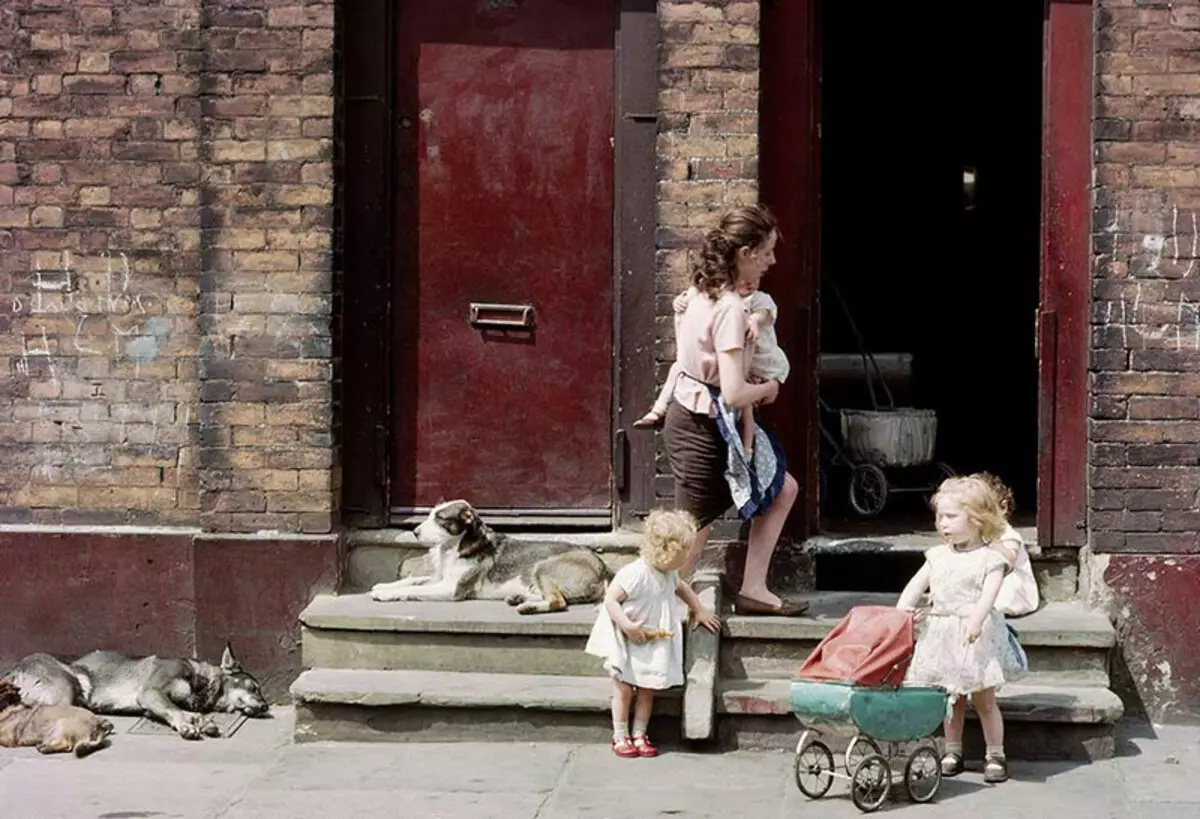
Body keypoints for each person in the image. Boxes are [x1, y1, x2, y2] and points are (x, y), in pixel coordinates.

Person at [658, 204, 806, 617]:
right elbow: (735, 393)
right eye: (767, 252)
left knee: (782, 488)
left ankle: (754, 588)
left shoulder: (698, 294)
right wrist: (772, 388)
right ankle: (662, 614)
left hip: (703, 418)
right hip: (702, 424)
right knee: (693, 529)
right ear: (745, 252)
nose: (772, 261)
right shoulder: (728, 309)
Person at [896, 475, 1027, 784]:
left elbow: (988, 595)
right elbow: (916, 586)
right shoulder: (938, 556)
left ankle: (995, 753)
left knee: (984, 699)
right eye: (940, 517)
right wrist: (904, 611)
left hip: (974, 635)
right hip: (941, 632)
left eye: (952, 517)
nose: (943, 523)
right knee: (950, 698)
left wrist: (976, 620)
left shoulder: (989, 558)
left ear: (977, 519)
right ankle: (952, 750)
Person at [584, 509, 721, 758]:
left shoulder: (669, 574)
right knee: (624, 689)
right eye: (681, 555)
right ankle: (620, 734)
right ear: (663, 550)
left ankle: (640, 733)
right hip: (629, 638)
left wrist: (699, 609)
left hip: (652, 639)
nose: (685, 559)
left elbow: (683, 589)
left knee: (647, 689)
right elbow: (611, 600)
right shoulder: (635, 574)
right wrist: (627, 625)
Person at [634, 278, 790, 466]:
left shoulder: (757, 299)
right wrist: (678, 302)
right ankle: (658, 409)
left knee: (746, 409)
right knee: (678, 369)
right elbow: (686, 299)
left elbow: (766, 312)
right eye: (745, 278)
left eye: (756, 278)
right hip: (721, 374)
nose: (751, 282)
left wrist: (755, 320)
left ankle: (747, 452)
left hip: (752, 367)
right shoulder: (717, 299)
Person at [970, 472, 1040, 617]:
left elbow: (1011, 557)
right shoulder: (975, 532)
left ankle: (991, 606)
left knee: (1000, 583)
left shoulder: (1007, 534)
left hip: (1008, 582)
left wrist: (995, 544)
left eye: (985, 510)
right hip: (984, 579)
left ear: (1003, 507)